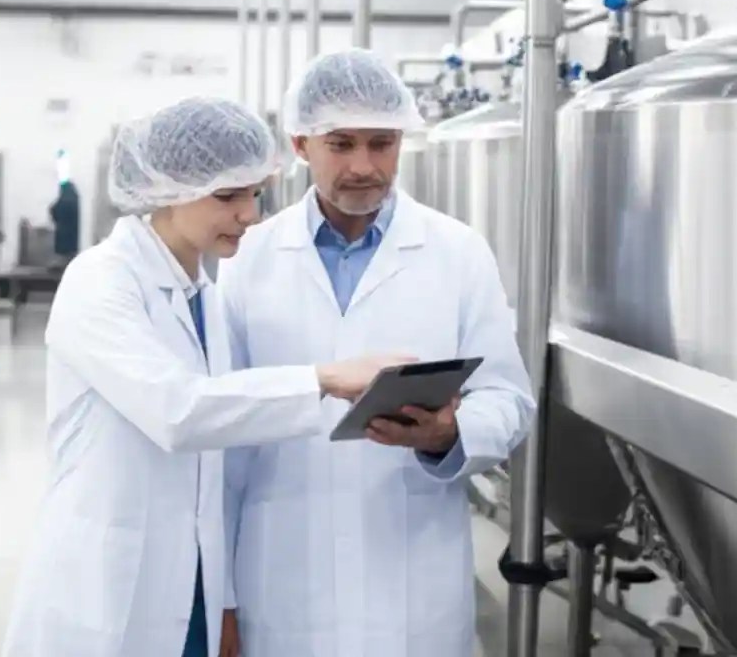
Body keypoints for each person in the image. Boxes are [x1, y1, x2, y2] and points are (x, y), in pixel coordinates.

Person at [1, 96, 413, 657]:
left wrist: (223, 600)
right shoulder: (100, 282)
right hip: (108, 584)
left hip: (187, 582)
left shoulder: (204, 296)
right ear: (167, 192)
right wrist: (325, 377)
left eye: (255, 194)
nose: (250, 214)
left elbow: (217, 455)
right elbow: (180, 412)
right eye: (227, 196)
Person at [218, 49, 536, 656]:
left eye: (381, 143)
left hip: (412, 584)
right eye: (341, 144)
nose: (364, 166)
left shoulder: (457, 252)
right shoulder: (249, 258)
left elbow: (508, 398)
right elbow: (223, 433)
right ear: (302, 144)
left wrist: (448, 433)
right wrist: (224, 598)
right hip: (283, 573)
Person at [48, 171, 81, 263]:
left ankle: (62, 261)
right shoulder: (74, 198)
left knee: (64, 250)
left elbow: (55, 210)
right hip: (71, 238)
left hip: (64, 235)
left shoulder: (65, 199)